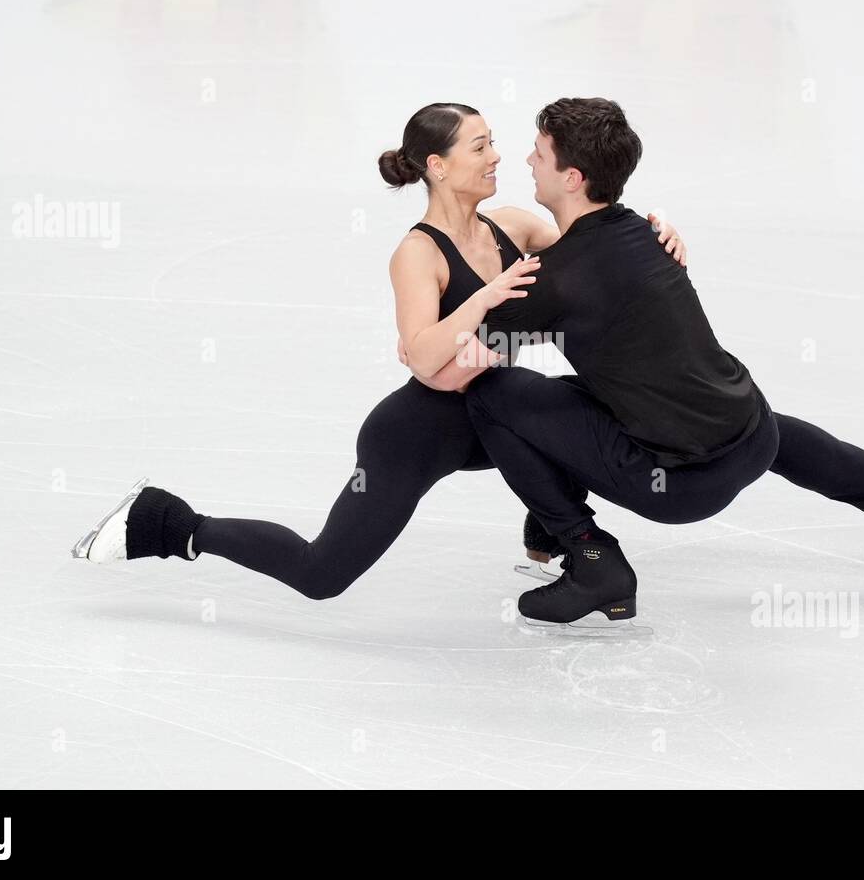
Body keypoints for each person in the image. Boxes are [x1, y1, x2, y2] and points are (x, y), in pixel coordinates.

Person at [70, 102, 688, 600]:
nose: (497, 155)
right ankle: (166, 523)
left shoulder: (516, 226)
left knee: (581, 420)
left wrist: (655, 231)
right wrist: (482, 301)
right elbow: (422, 358)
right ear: (437, 166)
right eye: (480, 146)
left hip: (494, 414)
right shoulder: (417, 253)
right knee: (320, 575)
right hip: (418, 434)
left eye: (495, 141)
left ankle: (555, 535)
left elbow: (593, 261)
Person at [435, 97, 864, 626]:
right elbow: (594, 287)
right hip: (756, 436)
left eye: (540, 152)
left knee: (494, 394)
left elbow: (457, 358)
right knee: (669, 397)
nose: (526, 159)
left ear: (573, 178)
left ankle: (592, 560)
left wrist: (468, 309)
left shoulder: (555, 282)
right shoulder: (645, 234)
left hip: (681, 487)